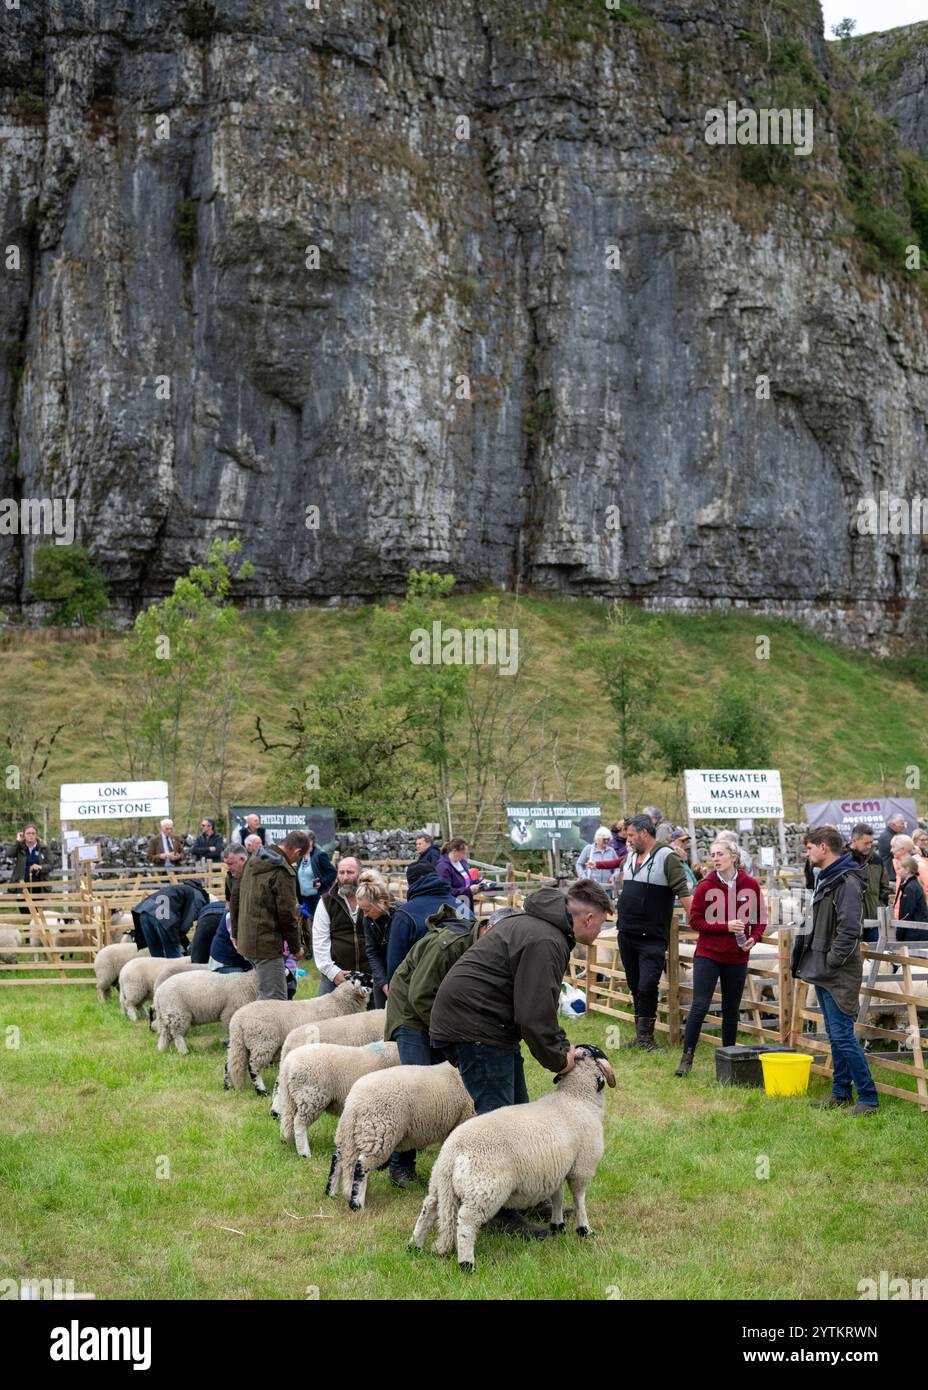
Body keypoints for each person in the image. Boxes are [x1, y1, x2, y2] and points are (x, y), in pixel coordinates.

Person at [430, 878, 610, 1115]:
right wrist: (559, 1059)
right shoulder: (546, 939)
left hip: (487, 1022)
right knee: (500, 1125)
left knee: (518, 1114)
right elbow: (533, 1013)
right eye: (602, 923)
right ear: (588, 919)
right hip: (476, 1025)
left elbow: (541, 1003)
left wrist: (560, 1045)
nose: (601, 930)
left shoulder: (543, 929)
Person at [382, 904, 517, 1189]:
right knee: (417, 1091)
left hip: (442, 1017)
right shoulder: (449, 946)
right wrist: (450, 1034)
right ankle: (400, 1164)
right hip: (412, 1016)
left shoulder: (485, 946)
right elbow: (420, 995)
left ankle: (449, 1159)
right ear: (490, 930)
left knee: (448, 1089)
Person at [791, 826, 877, 1115]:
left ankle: (869, 1098)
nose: (808, 853)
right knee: (835, 1033)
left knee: (842, 1035)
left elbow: (850, 928)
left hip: (838, 970)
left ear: (824, 847)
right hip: (824, 967)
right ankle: (841, 1093)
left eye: (809, 848)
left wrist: (832, 961)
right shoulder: (827, 878)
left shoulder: (847, 882)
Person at [674, 840, 766, 1076]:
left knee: (731, 1009)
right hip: (708, 953)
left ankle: (729, 1059)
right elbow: (695, 921)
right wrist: (724, 926)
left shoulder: (751, 885)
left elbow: (760, 919)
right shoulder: (706, 886)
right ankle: (687, 1057)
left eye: (720, 854)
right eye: (713, 855)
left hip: (737, 956)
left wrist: (754, 938)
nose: (715, 858)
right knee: (700, 1005)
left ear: (733, 857)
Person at [605, 814, 693, 1050]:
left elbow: (683, 893)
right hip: (626, 932)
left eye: (631, 835)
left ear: (645, 833)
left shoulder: (668, 857)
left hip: (651, 936)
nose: (628, 840)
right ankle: (640, 1036)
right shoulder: (630, 858)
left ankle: (647, 1038)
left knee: (647, 984)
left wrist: (700, 923)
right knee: (634, 984)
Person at [231, 831, 309, 1001]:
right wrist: (296, 949)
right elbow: (287, 916)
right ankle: (251, 1027)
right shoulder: (283, 871)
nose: (298, 861)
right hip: (266, 944)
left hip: (247, 940)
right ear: (297, 852)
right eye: (300, 857)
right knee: (275, 1000)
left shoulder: (253, 858)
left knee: (266, 992)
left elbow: (235, 897)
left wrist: (236, 933)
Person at [386, 861, 464, 981]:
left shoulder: (405, 914)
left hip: (421, 992)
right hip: (461, 986)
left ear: (410, 884)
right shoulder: (461, 906)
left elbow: (395, 965)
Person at [312, 856, 370, 995]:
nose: (345, 877)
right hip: (337, 973)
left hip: (370, 973)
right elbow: (320, 939)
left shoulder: (372, 899)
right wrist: (332, 972)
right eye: (341, 872)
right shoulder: (326, 902)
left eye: (350, 872)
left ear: (360, 874)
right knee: (326, 1015)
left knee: (373, 1016)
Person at [130, 879, 209, 958]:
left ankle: (157, 969)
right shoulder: (199, 896)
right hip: (162, 915)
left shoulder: (178, 888)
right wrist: (182, 939)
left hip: (144, 911)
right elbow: (188, 919)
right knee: (172, 952)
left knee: (156, 954)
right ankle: (178, 970)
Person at [357, 869, 395, 1009]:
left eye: (367, 910)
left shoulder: (400, 916)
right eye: (362, 910)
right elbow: (372, 950)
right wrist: (383, 982)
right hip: (382, 977)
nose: (364, 915)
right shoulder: (368, 920)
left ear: (381, 903)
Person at [848, 823, 890, 943]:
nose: (869, 846)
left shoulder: (876, 859)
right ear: (854, 840)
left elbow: (885, 887)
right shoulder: (844, 860)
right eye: (866, 843)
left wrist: (880, 906)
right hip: (850, 922)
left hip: (874, 921)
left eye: (871, 842)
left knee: (877, 958)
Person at [435, 838, 489, 914]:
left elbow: (466, 881)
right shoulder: (442, 867)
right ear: (454, 851)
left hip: (466, 902)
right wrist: (469, 890)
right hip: (453, 907)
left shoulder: (461, 862)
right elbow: (446, 891)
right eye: (463, 853)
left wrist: (480, 882)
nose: (464, 856)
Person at [294, 830, 336, 922]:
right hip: (304, 899)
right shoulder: (300, 857)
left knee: (317, 924)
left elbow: (333, 873)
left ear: (311, 842)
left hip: (317, 898)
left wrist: (321, 882)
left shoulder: (320, 855)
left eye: (304, 842)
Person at [575, 826, 622, 894]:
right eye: (604, 839)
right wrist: (584, 878)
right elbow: (579, 864)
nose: (606, 841)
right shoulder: (588, 849)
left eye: (608, 839)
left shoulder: (611, 851)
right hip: (590, 887)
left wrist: (613, 876)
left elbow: (618, 867)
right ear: (598, 839)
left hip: (607, 888)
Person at [893, 856, 928, 941]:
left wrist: (900, 931)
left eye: (899, 869)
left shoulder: (910, 888)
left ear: (907, 869)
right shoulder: (914, 884)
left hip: (914, 931)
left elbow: (906, 913)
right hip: (918, 930)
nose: (897, 871)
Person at [890, 833, 928, 908]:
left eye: (893, 847)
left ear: (903, 849)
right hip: (904, 915)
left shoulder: (918, 865)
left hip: (915, 916)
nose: (891, 850)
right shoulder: (902, 866)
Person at [877, 814, 906, 883]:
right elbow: (902, 853)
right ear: (893, 825)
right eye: (902, 824)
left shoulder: (893, 835)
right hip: (891, 876)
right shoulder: (886, 837)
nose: (904, 826)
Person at [669, 828, 700, 894]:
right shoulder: (671, 855)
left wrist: (698, 874)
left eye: (685, 841)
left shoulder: (683, 855)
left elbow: (689, 878)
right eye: (682, 841)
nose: (684, 844)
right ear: (673, 841)